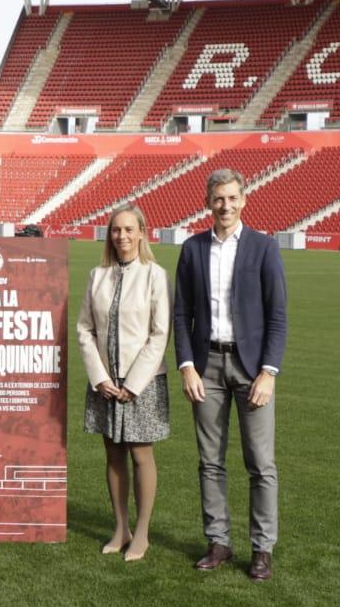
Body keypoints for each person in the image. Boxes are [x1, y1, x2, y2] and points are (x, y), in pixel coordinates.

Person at [172, 167, 288, 582]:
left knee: (260, 463)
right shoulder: (192, 249)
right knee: (209, 462)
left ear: (244, 200)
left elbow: (277, 317)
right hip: (207, 368)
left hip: (252, 368)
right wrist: (187, 365)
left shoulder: (264, 248)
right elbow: (181, 313)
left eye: (232, 198)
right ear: (209, 202)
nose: (225, 205)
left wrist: (269, 372)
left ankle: (262, 549)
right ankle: (218, 542)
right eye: (218, 198)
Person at [74, 205, 170, 562]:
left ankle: (141, 532)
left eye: (129, 229)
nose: (122, 236)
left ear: (142, 232)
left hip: (140, 383)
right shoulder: (98, 275)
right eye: (116, 230)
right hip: (105, 383)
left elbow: (160, 335)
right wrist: (99, 377)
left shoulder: (154, 275)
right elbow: (85, 328)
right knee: (112, 454)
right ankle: (120, 528)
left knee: (140, 454)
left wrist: (134, 381)